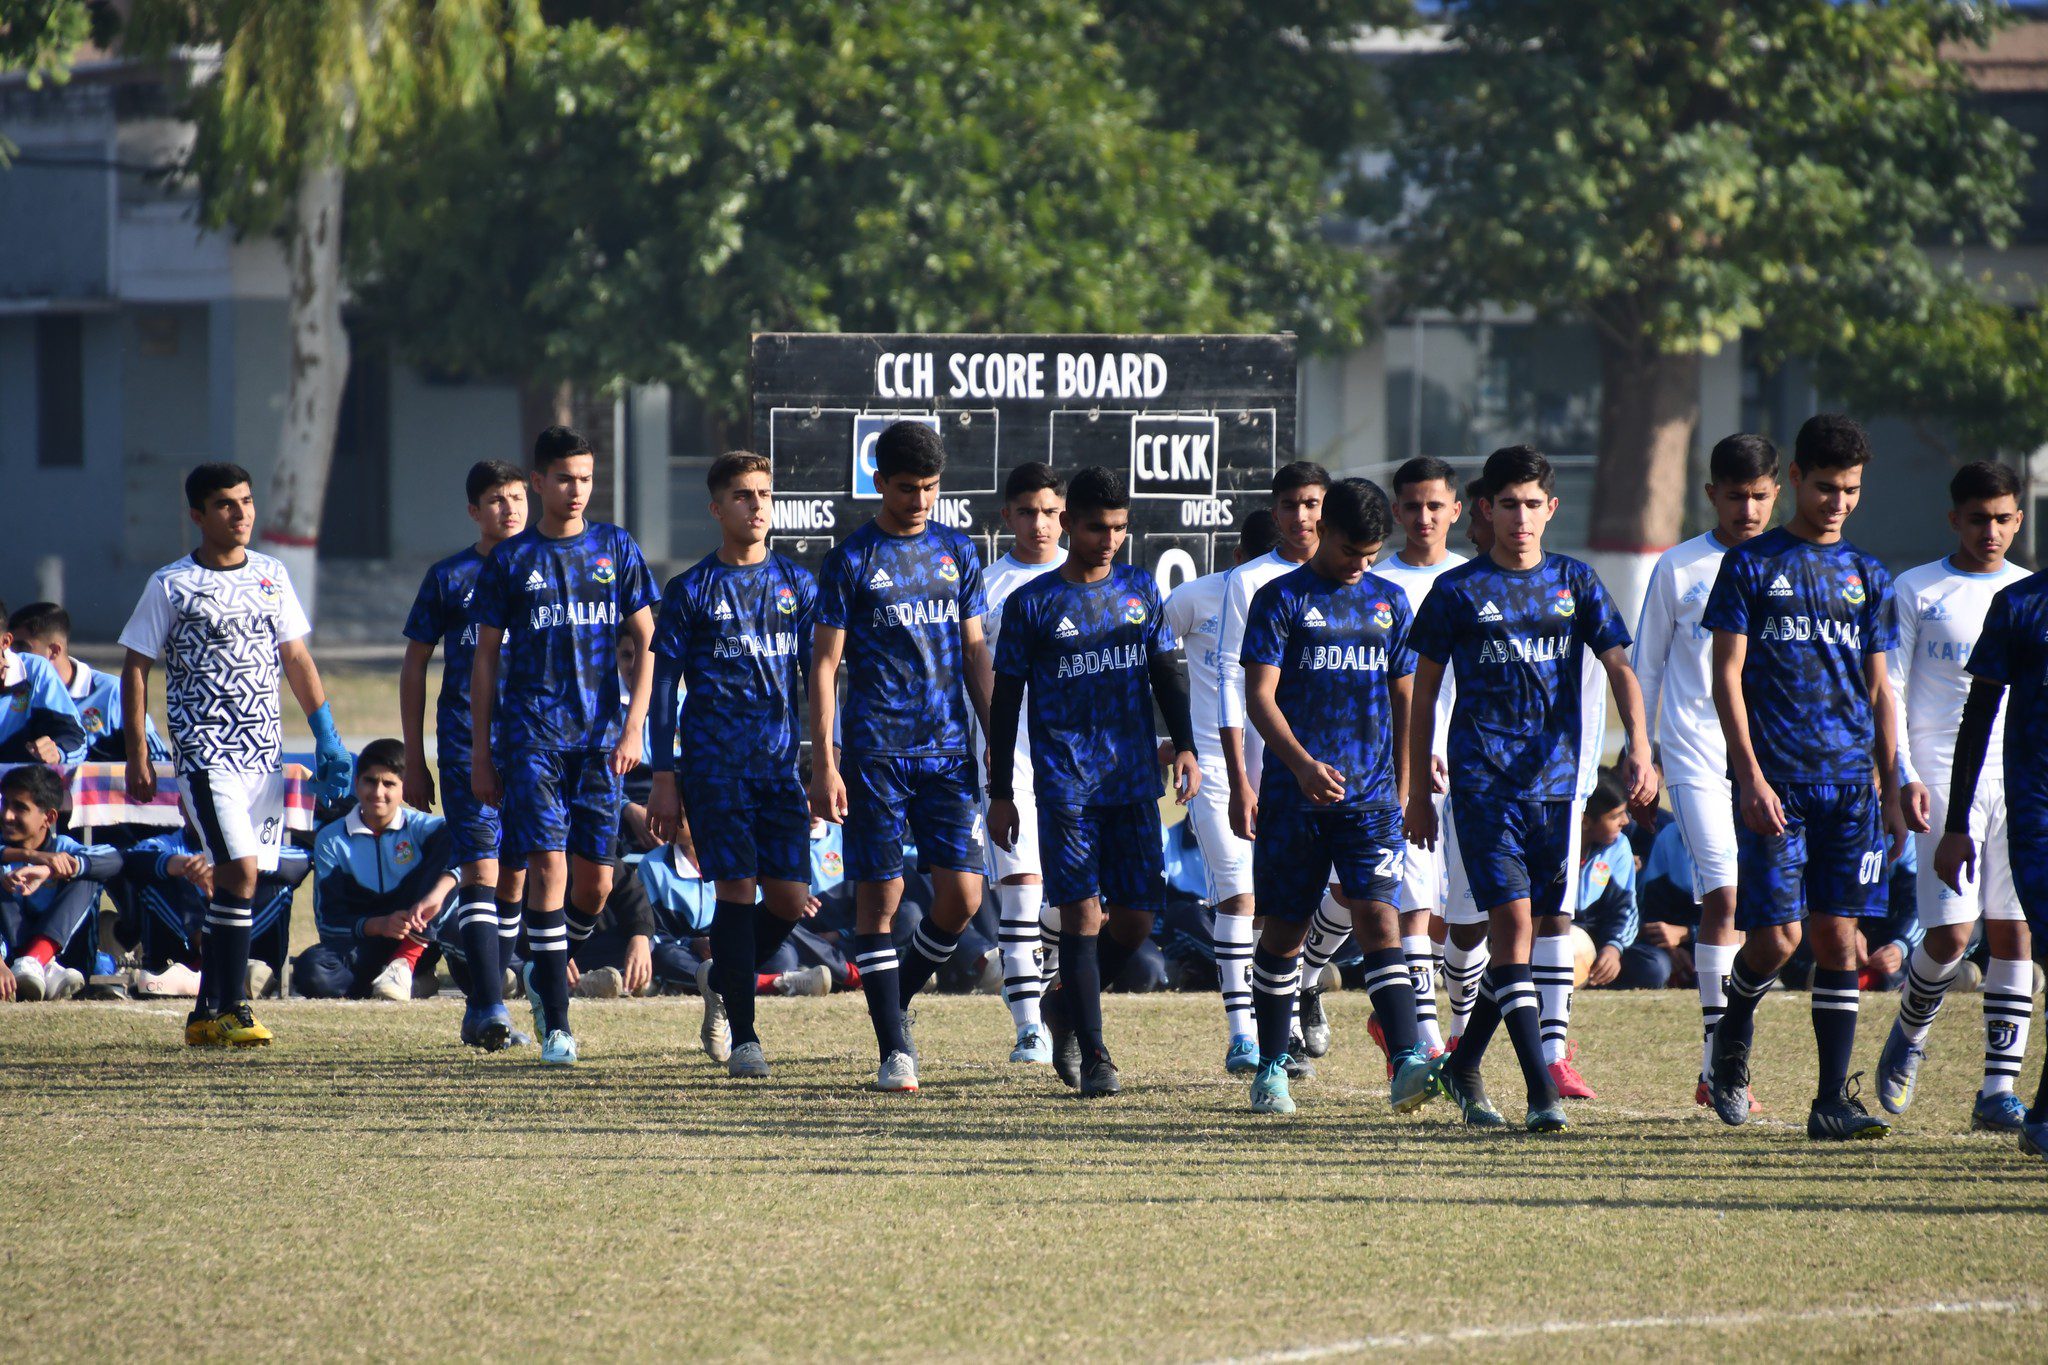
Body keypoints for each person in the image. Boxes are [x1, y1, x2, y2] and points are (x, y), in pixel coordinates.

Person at [1407, 445, 1656, 1133]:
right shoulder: (1457, 591)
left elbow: (1619, 666)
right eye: (1507, 504)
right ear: (1486, 510)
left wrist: (1637, 743)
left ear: (1552, 508)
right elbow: (1423, 692)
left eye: (1532, 504)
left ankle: (1462, 1064)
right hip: (1482, 787)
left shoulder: (1575, 581)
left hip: (1556, 791)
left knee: (1542, 930)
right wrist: (1418, 787)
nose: (1520, 517)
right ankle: (1541, 1089)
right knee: (1510, 930)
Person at [1703, 413, 1904, 1141]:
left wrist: (1893, 777)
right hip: (1777, 784)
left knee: (1838, 940)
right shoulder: (1753, 565)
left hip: (1852, 787)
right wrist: (1749, 773)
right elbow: (1726, 676)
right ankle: (1734, 1026)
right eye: (1825, 487)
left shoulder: (1869, 575)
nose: (1838, 502)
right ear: (1795, 480)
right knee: (1777, 939)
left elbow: (1881, 690)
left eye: (1851, 489)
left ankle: (1830, 1102)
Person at [118, 461, 353, 1047]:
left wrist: (326, 732)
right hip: (205, 757)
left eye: (247, 501)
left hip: (261, 759)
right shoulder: (170, 584)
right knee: (242, 872)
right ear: (198, 515)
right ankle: (235, 1007)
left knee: (237, 878)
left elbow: (296, 658)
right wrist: (137, 752)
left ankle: (204, 1013)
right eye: (226, 504)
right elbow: (135, 667)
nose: (241, 513)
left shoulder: (272, 574)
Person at [987, 465, 1198, 1096]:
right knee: (1081, 914)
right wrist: (1001, 791)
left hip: (1133, 781)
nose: (1108, 539)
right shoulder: (1033, 604)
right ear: (1069, 524)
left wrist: (1185, 745)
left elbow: (1166, 671)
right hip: (1065, 785)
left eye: (1119, 528)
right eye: (1095, 527)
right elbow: (1003, 705)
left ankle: (1064, 1003)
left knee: (1133, 922)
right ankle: (1095, 1053)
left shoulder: (1138, 589)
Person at [1238, 477, 1435, 1115]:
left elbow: (1405, 697)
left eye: (1372, 554)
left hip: (1371, 800)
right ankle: (1271, 1066)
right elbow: (1259, 698)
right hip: (1295, 801)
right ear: (1322, 532)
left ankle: (1406, 1060)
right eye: (1352, 552)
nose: (1361, 566)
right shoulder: (1280, 599)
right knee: (1286, 931)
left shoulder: (1389, 603)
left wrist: (1404, 789)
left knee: (1380, 918)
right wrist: (1298, 766)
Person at [810, 420, 994, 1094]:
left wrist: (995, 729)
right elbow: (825, 664)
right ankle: (895, 1049)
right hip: (875, 752)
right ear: (879, 482)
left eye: (930, 488)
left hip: (947, 751)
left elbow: (975, 650)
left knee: (964, 896)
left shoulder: (956, 551)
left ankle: (894, 996)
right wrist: (826, 759)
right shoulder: (852, 558)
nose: (920, 500)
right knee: (880, 898)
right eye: (908, 487)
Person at [471, 426, 659, 1065]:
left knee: (595, 889)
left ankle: (538, 964)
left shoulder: (616, 547)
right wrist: (480, 749)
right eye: (562, 479)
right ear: (539, 481)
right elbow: (485, 662)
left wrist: (635, 725)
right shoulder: (511, 560)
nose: (575, 490)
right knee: (547, 869)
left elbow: (649, 642)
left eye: (585, 478)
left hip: (603, 744)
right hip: (532, 739)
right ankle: (557, 1023)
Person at [646, 450, 819, 1079]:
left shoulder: (800, 586)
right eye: (743, 495)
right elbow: (664, 690)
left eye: (765, 494)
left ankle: (724, 977)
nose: (756, 506)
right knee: (736, 892)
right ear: (717, 508)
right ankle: (745, 1036)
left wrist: (824, 760)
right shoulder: (690, 589)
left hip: (779, 770)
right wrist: (665, 776)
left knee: (791, 896)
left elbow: (821, 678)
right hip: (715, 769)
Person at [1874, 461, 2033, 1130]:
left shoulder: (2029, 594)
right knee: (1951, 933)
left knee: (2014, 933)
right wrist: (1901, 773)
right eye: (1977, 518)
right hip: (1941, 778)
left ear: (2019, 520)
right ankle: (1909, 1031)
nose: (1990, 530)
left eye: (2002, 518)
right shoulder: (1917, 589)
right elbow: (1893, 689)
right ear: (1954, 519)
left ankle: (1997, 1091)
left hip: (2019, 779)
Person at [1629, 434, 1780, 1108]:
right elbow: (1648, 665)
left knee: (1764, 913)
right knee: (1722, 893)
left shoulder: (1790, 566)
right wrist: (1643, 750)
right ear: (1710, 492)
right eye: (1735, 494)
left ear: (1778, 492)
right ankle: (1726, 1068)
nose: (1747, 508)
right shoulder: (1680, 568)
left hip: (1773, 762)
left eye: (1759, 495)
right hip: (1693, 753)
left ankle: (1715, 1062)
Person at [1313, 457, 1466, 1064]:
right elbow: (1397, 693)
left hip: (1468, 761)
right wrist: (1410, 764)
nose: (1424, 518)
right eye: (1413, 506)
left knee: (1443, 904)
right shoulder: (1377, 583)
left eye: (1436, 506)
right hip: (1385, 768)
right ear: (1396, 512)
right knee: (1403, 901)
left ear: (1458, 510)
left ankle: (1308, 972)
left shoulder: (1472, 579)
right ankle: (1422, 1041)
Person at [400, 459, 532, 1049]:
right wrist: (412, 754)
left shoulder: (547, 567)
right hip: (464, 744)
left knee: (518, 879)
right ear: (474, 511)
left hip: (536, 745)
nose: (509, 509)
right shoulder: (450, 577)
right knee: (481, 870)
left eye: (516, 497)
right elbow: (414, 662)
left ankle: (483, 995)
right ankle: (491, 1006)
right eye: (496, 500)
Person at [1933, 546, 2048, 1158]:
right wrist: (1956, 824)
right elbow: (1976, 717)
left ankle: (2032, 1113)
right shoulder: (2022, 605)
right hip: (2036, 813)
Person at [1216, 462, 1329, 1076]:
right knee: (1276, 908)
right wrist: (1241, 778)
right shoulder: (1251, 582)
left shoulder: (1361, 574)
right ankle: (1274, 1038)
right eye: (1290, 505)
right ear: (1276, 511)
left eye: (1313, 503)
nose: (1302, 517)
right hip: (1275, 767)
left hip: (1352, 767)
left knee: (1354, 899)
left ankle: (1308, 983)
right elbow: (1234, 686)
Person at [1162, 508, 1280, 1072]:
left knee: (1288, 905)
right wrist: (1170, 741)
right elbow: (1153, 664)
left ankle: (1296, 1000)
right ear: (1237, 559)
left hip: (1288, 768)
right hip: (1212, 767)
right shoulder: (1197, 598)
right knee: (1239, 894)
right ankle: (1244, 1036)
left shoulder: (1305, 600)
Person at [975, 462, 1067, 1065]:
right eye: (1028, 512)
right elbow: (972, 670)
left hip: (1079, 758)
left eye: (1051, 512)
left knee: (1075, 902)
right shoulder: (985, 586)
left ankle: (1049, 979)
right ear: (1006, 516)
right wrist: (990, 746)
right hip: (1011, 758)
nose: (1040, 524)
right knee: (1020, 889)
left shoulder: (1088, 579)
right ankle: (1029, 1027)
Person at [294, 739, 458, 1000]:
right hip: (362, 947)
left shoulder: (423, 829)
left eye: (389, 784)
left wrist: (429, 902)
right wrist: (380, 925)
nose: (378, 792)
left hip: (420, 941)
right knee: (310, 970)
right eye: (370, 781)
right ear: (356, 783)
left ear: (403, 788)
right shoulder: (332, 839)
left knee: (456, 853)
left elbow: (468, 852)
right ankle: (407, 984)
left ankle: (406, 963)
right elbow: (329, 925)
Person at [122, 825, 309, 998]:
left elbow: (301, 860)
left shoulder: (256, 843)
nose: (208, 806)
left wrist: (240, 864)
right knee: (156, 879)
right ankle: (215, 969)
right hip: (185, 953)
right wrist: (182, 866)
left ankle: (229, 969)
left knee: (276, 884)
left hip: (250, 950)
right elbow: (130, 859)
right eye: (199, 797)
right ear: (181, 804)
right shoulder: (168, 844)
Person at [0, 764, 119, 1002]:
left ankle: (36, 959)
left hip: (69, 960)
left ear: (49, 817)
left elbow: (114, 858)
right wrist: (30, 856)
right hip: (8, 960)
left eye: (20, 808)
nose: (7, 815)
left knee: (85, 873)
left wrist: (51, 869)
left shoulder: (62, 848)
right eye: (5, 804)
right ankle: (38, 968)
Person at [8, 602, 169, 763]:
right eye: (9, 649)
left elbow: (158, 760)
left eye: (21, 647)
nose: (14, 657)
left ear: (54, 650)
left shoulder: (113, 693)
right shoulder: (15, 694)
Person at [1573, 772, 1665, 990]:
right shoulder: (1556, 846)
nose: (1625, 821)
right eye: (1616, 816)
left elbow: (1625, 909)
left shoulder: (1619, 846)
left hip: (1601, 939)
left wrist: (1613, 948)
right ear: (1585, 821)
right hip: (1555, 935)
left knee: (1655, 967)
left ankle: (1596, 975)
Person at [0, 598, 86, 766]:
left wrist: (58, 752)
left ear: (5, 642)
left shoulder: (34, 671)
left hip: (19, 787)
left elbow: (75, 738)